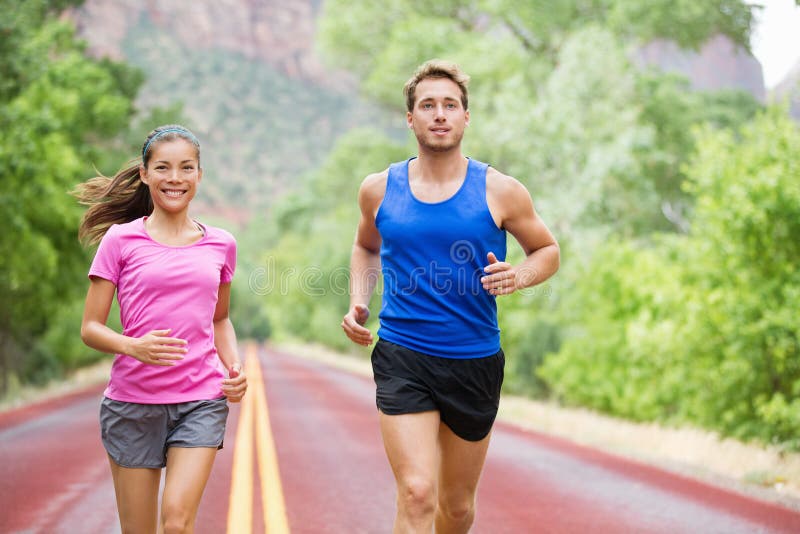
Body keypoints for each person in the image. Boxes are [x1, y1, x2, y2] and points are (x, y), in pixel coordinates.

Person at [341, 60, 560, 533]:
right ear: (410, 119)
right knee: (418, 493)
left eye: (450, 105)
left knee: (456, 507)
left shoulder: (501, 191)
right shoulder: (378, 189)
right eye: (428, 105)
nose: (439, 114)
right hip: (403, 355)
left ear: (465, 117)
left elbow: (547, 251)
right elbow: (365, 245)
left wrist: (518, 276)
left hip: (474, 360)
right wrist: (360, 298)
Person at [76, 124, 247, 534]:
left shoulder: (221, 243)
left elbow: (219, 318)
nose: (175, 178)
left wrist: (234, 367)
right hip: (132, 404)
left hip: (200, 400)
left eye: (187, 168)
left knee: (176, 520)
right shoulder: (120, 240)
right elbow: (90, 328)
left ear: (199, 176)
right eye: (164, 168)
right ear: (145, 174)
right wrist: (133, 346)